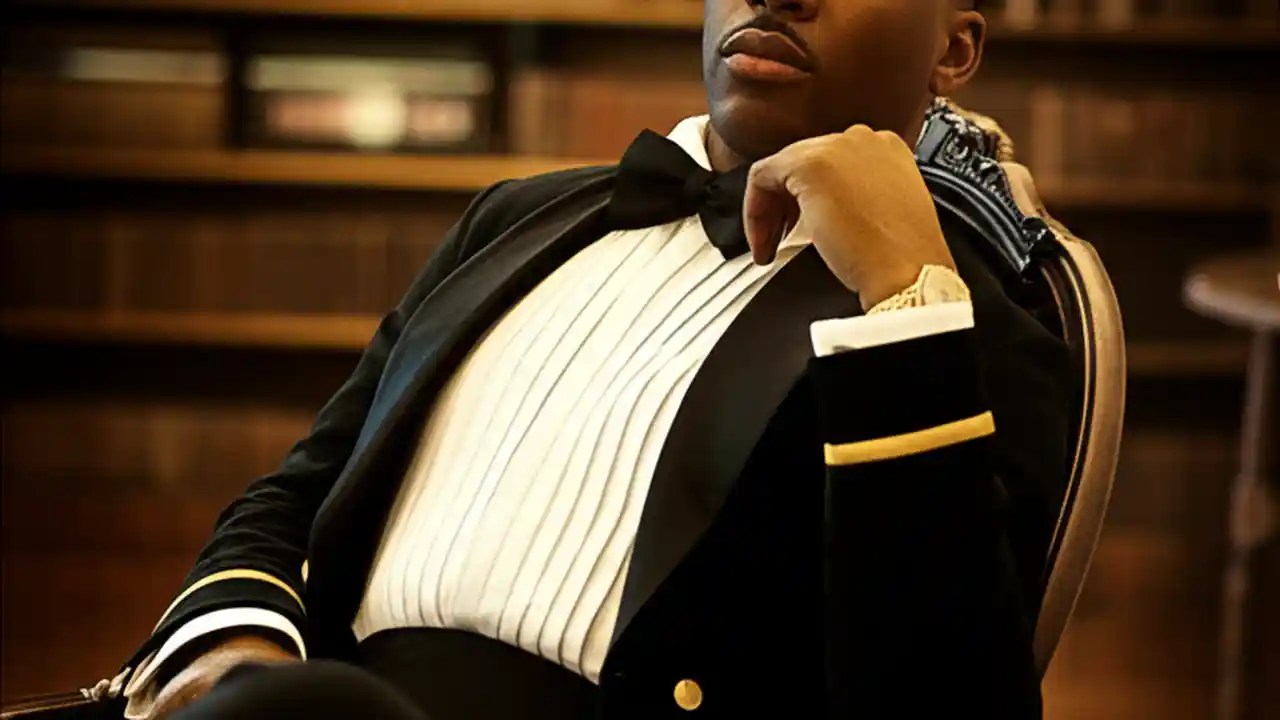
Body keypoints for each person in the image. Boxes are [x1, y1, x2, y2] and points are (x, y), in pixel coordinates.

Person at [112, 0, 1072, 718]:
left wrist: (906, 302)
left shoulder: (957, 329)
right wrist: (234, 650)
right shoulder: (517, 218)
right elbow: (292, 500)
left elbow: (947, 696)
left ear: (954, 48)